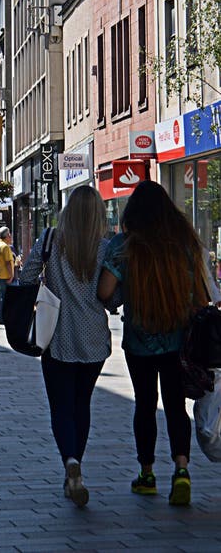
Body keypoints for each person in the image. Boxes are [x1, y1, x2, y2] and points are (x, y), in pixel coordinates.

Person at [98, 180, 211, 507]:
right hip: (179, 339)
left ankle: (146, 474)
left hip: (139, 340)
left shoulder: (124, 245)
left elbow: (105, 291)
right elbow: (201, 295)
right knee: (176, 406)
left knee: (145, 404)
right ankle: (182, 470)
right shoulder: (184, 244)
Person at [20, 186, 113, 508]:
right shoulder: (105, 248)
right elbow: (111, 296)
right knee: (81, 404)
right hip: (93, 337)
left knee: (61, 406)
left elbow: (27, 276)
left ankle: (70, 462)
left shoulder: (50, 240)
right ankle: (77, 465)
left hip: (56, 336)